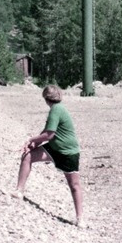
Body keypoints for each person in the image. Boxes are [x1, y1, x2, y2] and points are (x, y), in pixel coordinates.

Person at [12, 84, 85, 227]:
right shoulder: (57, 109)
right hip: (54, 148)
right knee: (28, 156)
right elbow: (47, 130)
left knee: (74, 185)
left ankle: (80, 218)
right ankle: (19, 191)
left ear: (46, 98)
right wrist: (36, 144)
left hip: (68, 152)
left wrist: (31, 139)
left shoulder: (56, 110)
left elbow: (50, 135)